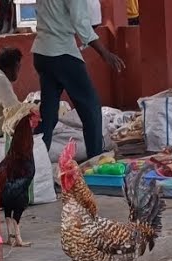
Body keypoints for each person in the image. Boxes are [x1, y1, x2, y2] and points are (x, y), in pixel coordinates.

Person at [33, 0, 125, 158]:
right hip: (62, 52)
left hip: (42, 52)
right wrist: (104, 53)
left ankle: (34, 161)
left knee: (48, 115)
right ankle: (95, 159)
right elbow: (81, 22)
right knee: (91, 109)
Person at [0, 46, 24, 137]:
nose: (18, 71)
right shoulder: (0, 80)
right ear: (10, 67)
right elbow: (13, 110)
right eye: (18, 67)